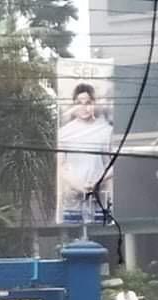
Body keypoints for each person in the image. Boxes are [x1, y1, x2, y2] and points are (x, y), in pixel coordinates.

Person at [59, 83, 113, 219]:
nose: (84, 107)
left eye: (88, 102)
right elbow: (61, 166)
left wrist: (96, 181)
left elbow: (113, 164)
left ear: (94, 103)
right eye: (79, 103)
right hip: (72, 198)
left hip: (100, 197)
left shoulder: (106, 131)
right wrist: (79, 186)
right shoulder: (64, 133)